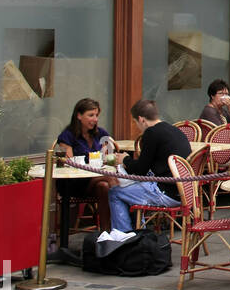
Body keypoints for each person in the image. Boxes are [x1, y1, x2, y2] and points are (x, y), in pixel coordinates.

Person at [106, 100, 190, 233]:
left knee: (115, 193)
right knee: (131, 192)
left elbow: (141, 170)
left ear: (141, 119)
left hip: (166, 192)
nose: (137, 126)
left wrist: (125, 159)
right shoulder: (174, 130)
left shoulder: (151, 133)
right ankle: (139, 232)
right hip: (185, 192)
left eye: (135, 122)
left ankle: (125, 238)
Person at [56, 97, 115, 231]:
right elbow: (68, 164)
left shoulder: (101, 134)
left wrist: (109, 159)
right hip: (75, 183)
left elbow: (110, 159)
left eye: (96, 115)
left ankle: (106, 232)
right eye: (90, 115)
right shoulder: (67, 136)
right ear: (79, 116)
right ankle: (124, 224)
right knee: (110, 179)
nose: (95, 119)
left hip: (97, 180)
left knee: (104, 185)